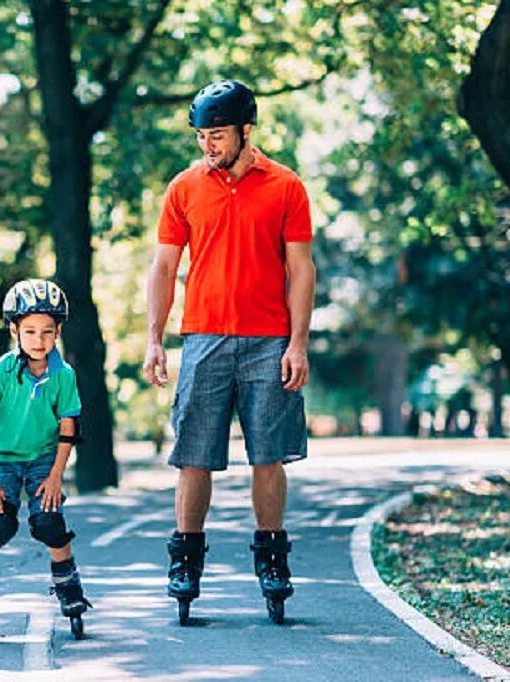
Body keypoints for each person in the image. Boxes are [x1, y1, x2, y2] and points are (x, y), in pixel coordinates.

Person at [142, 79, 316, 624]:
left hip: (270, 341)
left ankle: (272, 559)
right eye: (201, 137)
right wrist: (154, 337)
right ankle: (186, 561)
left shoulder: (286, 187)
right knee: (193, 456)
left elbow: (301, 268)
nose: (207, 146)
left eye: (216, 136)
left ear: (246, 130)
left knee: (269, 455)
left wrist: (298, 343)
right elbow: (165, 268)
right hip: (204, 339)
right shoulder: (184, 188)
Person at [0, 279, 92, 643]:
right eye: (29, 331)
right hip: (3, 461)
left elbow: (69, 426)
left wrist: (57, 476)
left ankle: (70, 589)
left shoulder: (64, 375)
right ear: (14, 330)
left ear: (58, 331)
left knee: (48, 522)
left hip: (44, 457)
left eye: (47, 331)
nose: (39, 340)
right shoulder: (1, 372)